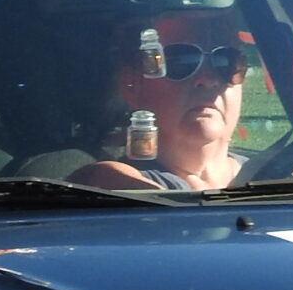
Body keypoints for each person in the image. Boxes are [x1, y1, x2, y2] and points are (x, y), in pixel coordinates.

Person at [72, 13, 254, 192]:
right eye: (181, 61)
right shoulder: (112, 182)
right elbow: (104, 182)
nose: (208, 79)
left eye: (227, 62)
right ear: (132, 85)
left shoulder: (272, 175)